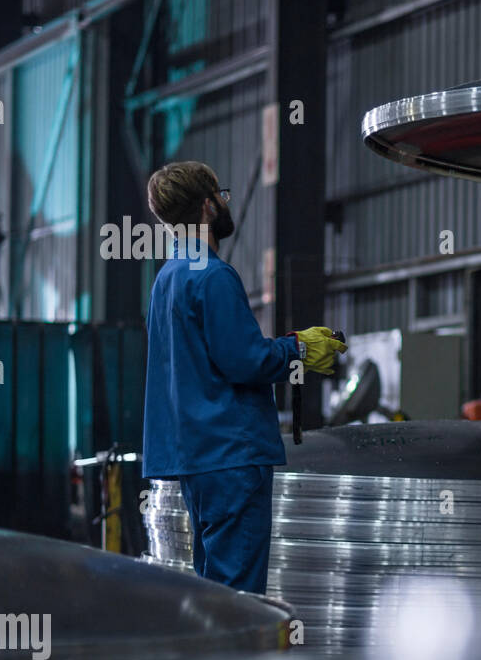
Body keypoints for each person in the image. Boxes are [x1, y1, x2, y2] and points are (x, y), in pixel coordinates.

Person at [141, 160, 345, 595]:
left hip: (195, 457)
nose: (224, 204)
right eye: (221, 195)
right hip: (231, 455)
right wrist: (301, 348)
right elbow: (246, 361)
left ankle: (213, 659)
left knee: (214, 590)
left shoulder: (167, 278)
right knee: (239, 593)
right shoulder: (212, 276)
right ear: (207, 207)